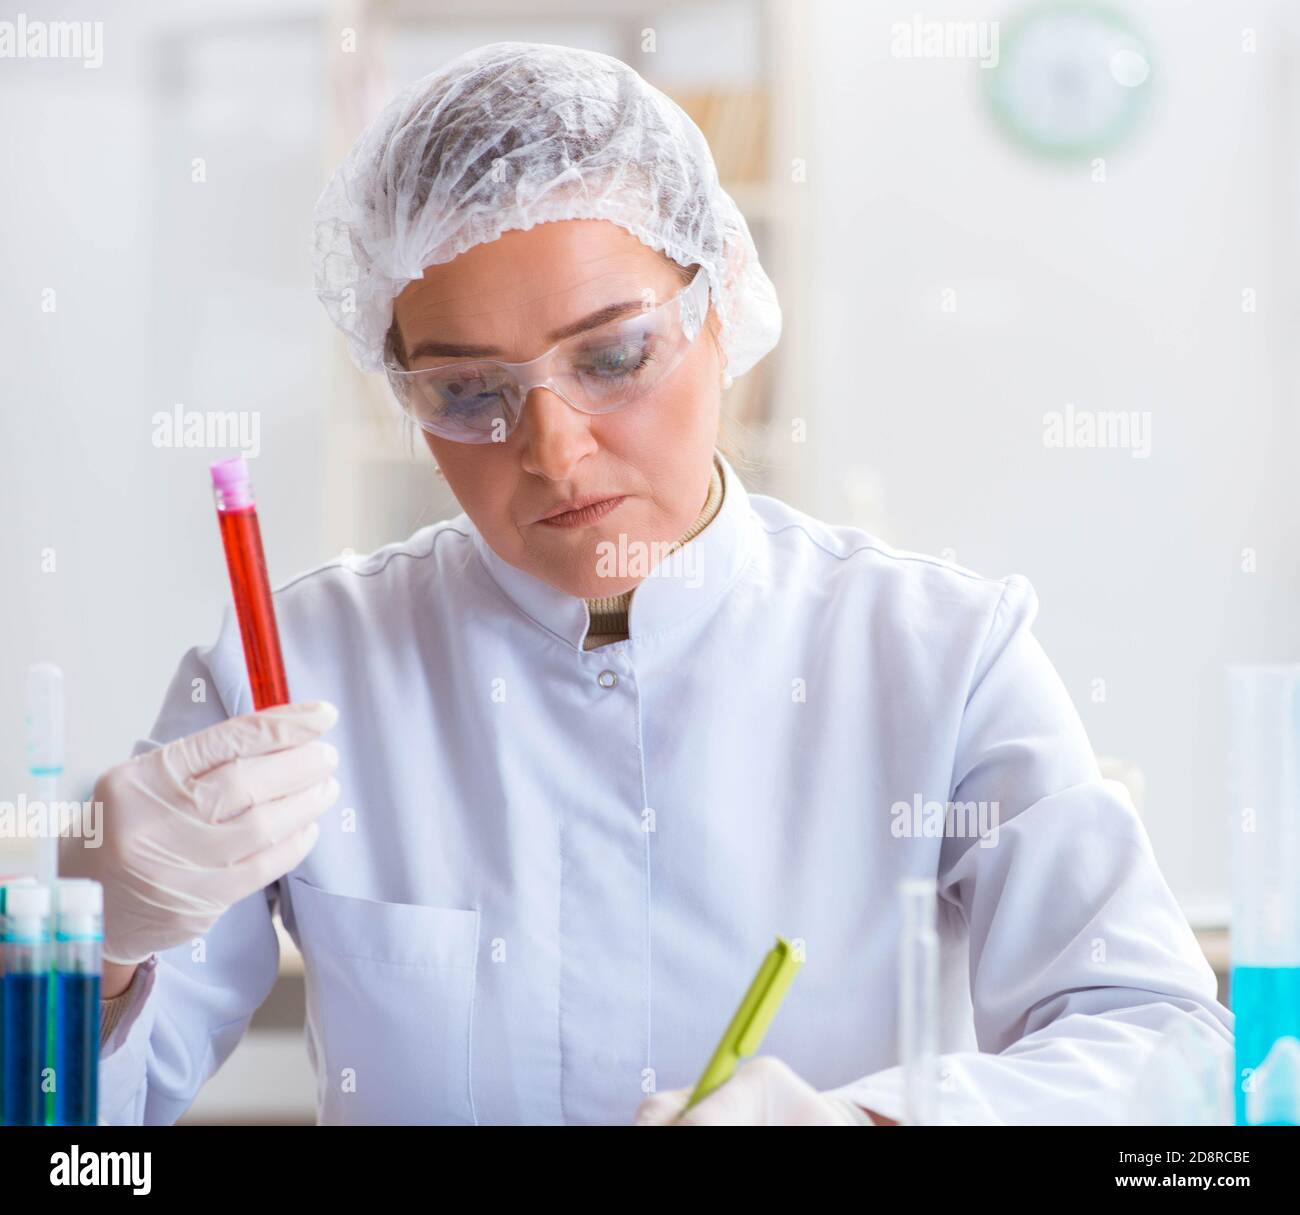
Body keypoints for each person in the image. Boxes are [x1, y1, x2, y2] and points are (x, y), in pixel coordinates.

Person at [65, 41, 1231, 1126]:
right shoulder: (302, 665)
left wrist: (868, 1125)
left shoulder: (936, 652)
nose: (553, 452)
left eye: (613, 356)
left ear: (722, 304)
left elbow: (1161, 1050)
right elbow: (74, 1138)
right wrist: (89, 949)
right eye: (468, 392)